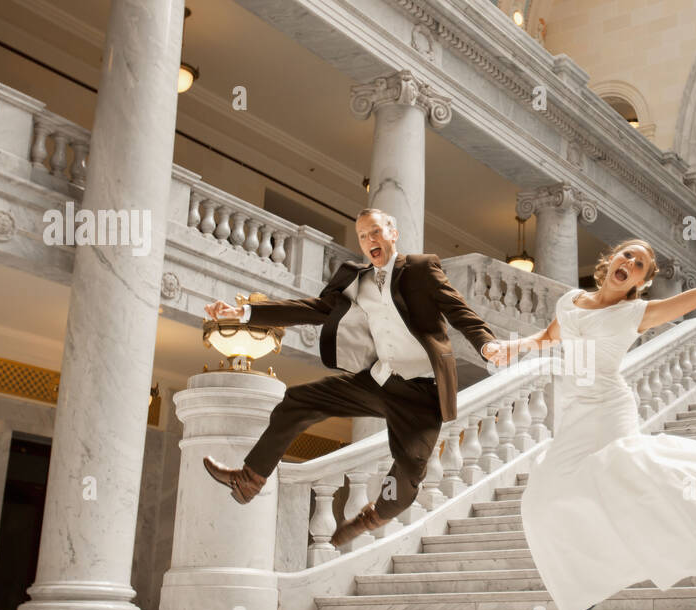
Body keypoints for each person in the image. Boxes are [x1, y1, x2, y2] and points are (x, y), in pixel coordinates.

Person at [497, 225, 696, 610]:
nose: (631, 264)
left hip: (609, 406)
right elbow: (551, 336)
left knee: (634, 476)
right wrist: (510, 347)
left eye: (639, 265)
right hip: (574, 413)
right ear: (611, 261)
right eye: (627, 256)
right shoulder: (571, 301)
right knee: (539, 500)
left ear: (643, 280)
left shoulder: (636, 313)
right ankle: (584, 580)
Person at [202, 208, 507, 546]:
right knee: (298, 401)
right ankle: (250, 479)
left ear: (392, 233)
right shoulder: (354, 278)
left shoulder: (421, 269)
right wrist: (245, 314)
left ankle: (373, 516)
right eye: (363, 236)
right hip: (379, 381)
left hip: (422, 391)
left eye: (375, 232)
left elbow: (459, 312)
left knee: (408, 472)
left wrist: (486, 343)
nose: (369, 241)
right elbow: (312, 310)